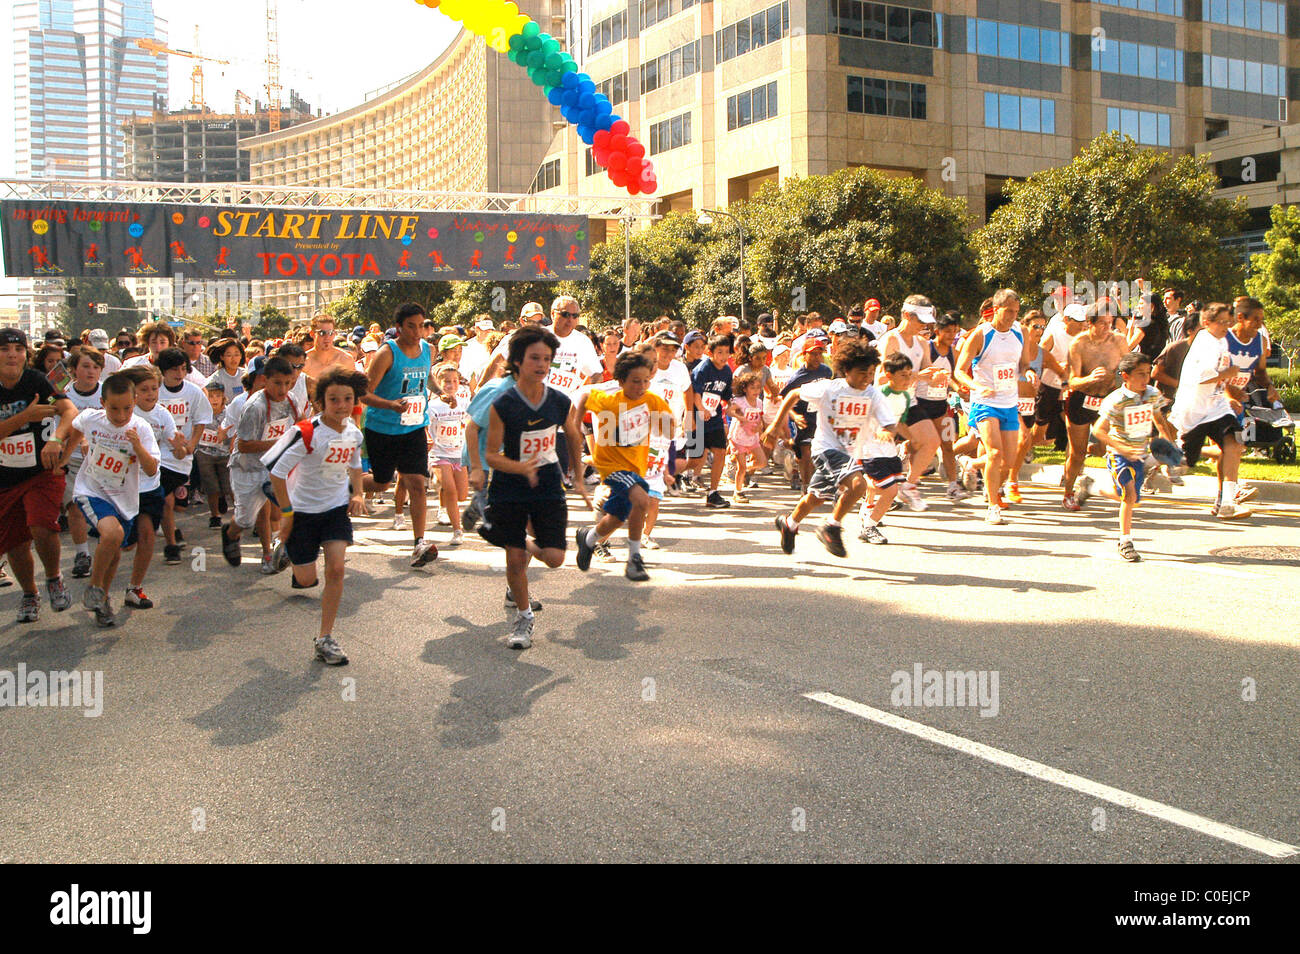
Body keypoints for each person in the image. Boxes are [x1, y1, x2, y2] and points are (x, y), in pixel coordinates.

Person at [479, 325, 589, 650]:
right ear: (516, 361)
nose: (541, 365)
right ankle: (524, 617)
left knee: (554, 558)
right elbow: (490, 454)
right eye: (534, 358)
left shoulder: (558, 400)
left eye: (547, 359)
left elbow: (572, 433)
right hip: (510, 488)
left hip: (547, 487)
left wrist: (578, 475)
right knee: (514, 561)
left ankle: (522, 541)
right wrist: (518, 467)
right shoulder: (503, 404)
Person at [264, 367, 370, 665]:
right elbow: (277, 473)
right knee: (306, 580)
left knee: (336, 570)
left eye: (347, 399)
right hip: (302, 514)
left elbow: (355, 464)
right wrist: (286, 513)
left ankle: (325, 638)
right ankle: (284, 548)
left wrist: (358, 493)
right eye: (334, 399)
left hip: (335, 510)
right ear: (321, 402)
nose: (342, 405)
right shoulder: (307, 434)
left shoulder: (353, 432)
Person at [764, 338, 904, 556]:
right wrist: (774, 426)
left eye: (870, 374)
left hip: (849, 452)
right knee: (858, 484)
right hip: (825, 448)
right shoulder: (829, 388)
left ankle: (789, 523)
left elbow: (889, 423)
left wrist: (888, 432)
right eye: (861, 373)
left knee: (816, 497)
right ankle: (831, 526)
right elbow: (792, 394)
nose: (866, 379)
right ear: (846, 370)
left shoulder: (872, 393)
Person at [59, 371, 161, 626]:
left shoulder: (141, 428)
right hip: (92, 490)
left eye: (127, 408)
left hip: (124, 499)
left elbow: (151, 469)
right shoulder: (92, 418)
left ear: (134, 402)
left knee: (114, 552)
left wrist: (137, 447)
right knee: (112, 535)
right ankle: (94, 588)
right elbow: (75, 427)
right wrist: (65, 454)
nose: (120, 415)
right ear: (103, 404)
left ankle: (102, 600)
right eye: (114, 409)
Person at [573, 348, 670, 582]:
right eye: (635, 381)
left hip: (636, 468)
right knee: (641, 499)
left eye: (646, 381)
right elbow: (584, 397)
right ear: (621, 381)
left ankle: (588, 539)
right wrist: (576, 426)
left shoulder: (652, 400)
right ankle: (634, 559)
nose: (641, 386)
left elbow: (667, 427)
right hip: (611, 465)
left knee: (617, 516)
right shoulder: (610, 400)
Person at [0, 328, 76, 621]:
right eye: (5, 349)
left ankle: (54, 577)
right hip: (6, 476)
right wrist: (24, 417)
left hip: (42, 470)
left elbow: (69, 412)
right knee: (15, 542)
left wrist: (56, 439)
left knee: (41, 524)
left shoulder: (35, 380)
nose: (11, 355)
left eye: (18, 349)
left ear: (26, 354)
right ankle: (30, 594)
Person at [360, 303, 438, 567]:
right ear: (398, 328)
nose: (417, 332)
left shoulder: (428, 349)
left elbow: (426, 378)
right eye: (411, 326)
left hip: (414, 427)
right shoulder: (386, 353)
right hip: (382, 428)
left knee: (417, 483)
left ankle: (419, 543)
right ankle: (349, 484)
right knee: (382, 483)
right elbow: (364, 394)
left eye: (421, 325)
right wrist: (390, 404)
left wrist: (440, 392)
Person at [1092, 353, 1180, 562]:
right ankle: (1125, 541)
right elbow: (1098, 431)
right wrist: (1122, 448)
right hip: (1118, 454)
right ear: (1125, 376)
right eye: (1140, 374)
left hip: (1140, 452)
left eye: (1148, 373)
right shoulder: (1116, 401)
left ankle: (1090, 488)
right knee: (1130, 495)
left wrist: (1167, 447)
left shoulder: (1151, 394)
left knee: (1128, 497)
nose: (1145, 378)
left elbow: (1159, 421)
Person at [1169, 303, 1253, 519]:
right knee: (1184, 461)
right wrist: (1229, 374)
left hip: (1216, 406)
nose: (1227, 326)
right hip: (1194, 410)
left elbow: (1219, 377)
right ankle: (1147, 459)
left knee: (1234, 443)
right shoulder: (1205, 343)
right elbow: (1203, 378)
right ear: (1207, 323)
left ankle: (1227, 502)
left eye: (1229, 321)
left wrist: (1230, 393)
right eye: (1222, 322)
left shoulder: (1222, 340)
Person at [221, 355, 306, 571]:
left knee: (291, 506)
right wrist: (279, 443)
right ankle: (230, 534)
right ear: (264, 380)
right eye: (277, 383)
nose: (283, 389)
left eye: (288, 383)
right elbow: (244, 446)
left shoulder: (291, 400)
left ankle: (282, 551)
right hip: (246, 468)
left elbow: (302, 426)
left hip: (273, 468)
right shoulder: (255, 407)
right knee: (246, 520)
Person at [953, 288, 1028, 526]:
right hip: (985, 403)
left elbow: (1024, 364)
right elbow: (959, 370)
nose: (1012, 316)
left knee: (1007, 461)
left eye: (1016, 312)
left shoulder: (1020, 332)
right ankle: (993, 506)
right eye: (1008, 311)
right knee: (994, 454)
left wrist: (1029, 373)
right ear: (996, 310)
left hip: (1009, 402)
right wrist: (976, 386)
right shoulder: (980, 335)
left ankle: (970, 463)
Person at [877, 296, 945, 511]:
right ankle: (870, 501)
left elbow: (928, 371)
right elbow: (879, 377)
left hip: (909, 402)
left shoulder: (923, 343)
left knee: (932, 441)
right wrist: (918, 376)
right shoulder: (891, 340)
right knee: (879, 456)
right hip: (886, 402)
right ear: (906, 316)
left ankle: (909, 485)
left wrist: (937, 376)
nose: (924, 325)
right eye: (920, 320)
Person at [1062, 299, 1128, 512]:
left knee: (1104, 449)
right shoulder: (1079, 344)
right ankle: (1068, 493)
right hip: (1082, 400)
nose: (1107, 328)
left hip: (1107, 401)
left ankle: (1091, 479)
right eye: (1102, 323)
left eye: (1110, 322)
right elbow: (1072, 381)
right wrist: (1089, 379)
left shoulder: (1118, 341)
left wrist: (1116, 377)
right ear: (1089, 323)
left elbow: (1128, 371)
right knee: (1077, 453)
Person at [154, 348, 213, 565]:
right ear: (162, 371)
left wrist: (192, 444)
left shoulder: (193, 392)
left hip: (181, 458)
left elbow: (201, 420)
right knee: (166, 501)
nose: (178, 374)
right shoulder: (155, 391)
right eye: (173, 370)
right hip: (157, 455)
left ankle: (170, 529)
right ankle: (171, 545)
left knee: (178, 505)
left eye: (182, 369)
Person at [62, 346, 105, 579]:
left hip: (104, 461)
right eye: (85, 366)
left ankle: (107, 553)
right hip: (74, 458)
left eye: (96, 367)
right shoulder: (64, 394)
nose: (91, 371)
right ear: (74, 370)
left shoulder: (108, 392)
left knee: (104, 510)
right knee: (74, 507)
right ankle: (82, 554)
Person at [779, 334, 834, 491]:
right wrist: (795, 416)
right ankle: (806, 486)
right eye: (813, 353)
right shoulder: (798, 377)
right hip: (803, 419)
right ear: (804, 355)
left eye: (819, 353)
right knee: (805, 454)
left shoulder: (826, 372)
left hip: (820, 418)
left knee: (817, 453)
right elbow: (784, 399)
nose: (817, 357)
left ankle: (789, 449)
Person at [688, 334, 735, 508]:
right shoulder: (703, 369)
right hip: (696, 418)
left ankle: (713, 493)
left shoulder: (727, 371)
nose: (724, 357)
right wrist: (701, 409)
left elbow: (726, 395)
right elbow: (695, 393)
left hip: (714, 418)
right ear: (710, 352)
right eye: (720, 352)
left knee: (721, 451)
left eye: (727, 352)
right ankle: (674, 474)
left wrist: (732, 405)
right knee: (695, 459)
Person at [427, 362, 469, 547]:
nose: (451, 385)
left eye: (454, 381)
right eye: (446, 382)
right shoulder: (433, 406)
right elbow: (424, 428)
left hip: (458, 453)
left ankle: (441, 488)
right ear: (438, 383)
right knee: (451, 492)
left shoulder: (464, 403)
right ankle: (457, 531)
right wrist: (427, 438)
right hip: (439, 454)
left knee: (461, 495)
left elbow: (471, 424)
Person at [726, 369, 767, 505]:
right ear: (745, 389)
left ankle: (738, 467)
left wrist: (759, 429)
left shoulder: (760, 403)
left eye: (758, 388)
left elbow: (760, 419)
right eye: (752, 388)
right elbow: (729, 411)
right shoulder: (740, 401)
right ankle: (737, 492)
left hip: (752, 437)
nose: (756, 391)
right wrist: (740, 417)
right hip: (738, 437)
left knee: (762, 462)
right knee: (742, 468)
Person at [196, 380, 233, 529]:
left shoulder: (229, 412)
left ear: (223, 397)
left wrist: (229, 438)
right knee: (211, 486)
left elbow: (237, 429)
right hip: (205, 452)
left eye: (218, 396)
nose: (214, 399)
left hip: (224, 454)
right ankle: (215, 516)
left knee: (228, 486)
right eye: (211, 396)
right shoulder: (200, 412)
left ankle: (227, 502)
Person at [302, 314, 357, 381]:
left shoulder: (346, 360)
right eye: (322, 333)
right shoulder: (303, 362)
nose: (327, 337)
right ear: (312, 334)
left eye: (330, 333)